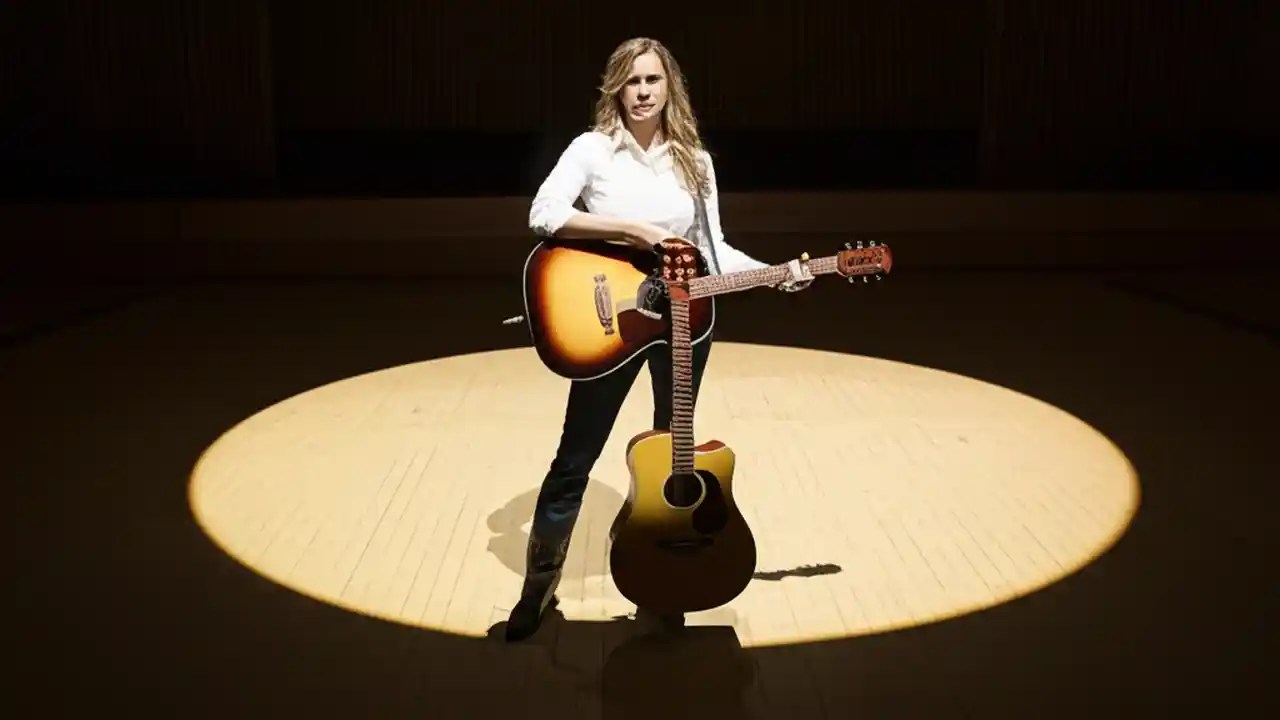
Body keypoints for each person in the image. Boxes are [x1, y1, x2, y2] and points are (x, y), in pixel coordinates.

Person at [505, 37, 811, 642]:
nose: (642, 93)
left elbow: (715, 253)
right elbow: (543, 213)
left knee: (671, 458)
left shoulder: (695, 161)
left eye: (652, 81)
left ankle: (661, 575)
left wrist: (781, 274)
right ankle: (538, 586)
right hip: (611, 321)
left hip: (685, 322)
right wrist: (633, 231)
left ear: (671, 87)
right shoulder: (593, 150)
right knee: (577, 454)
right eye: (631, 82)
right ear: (615, 89)